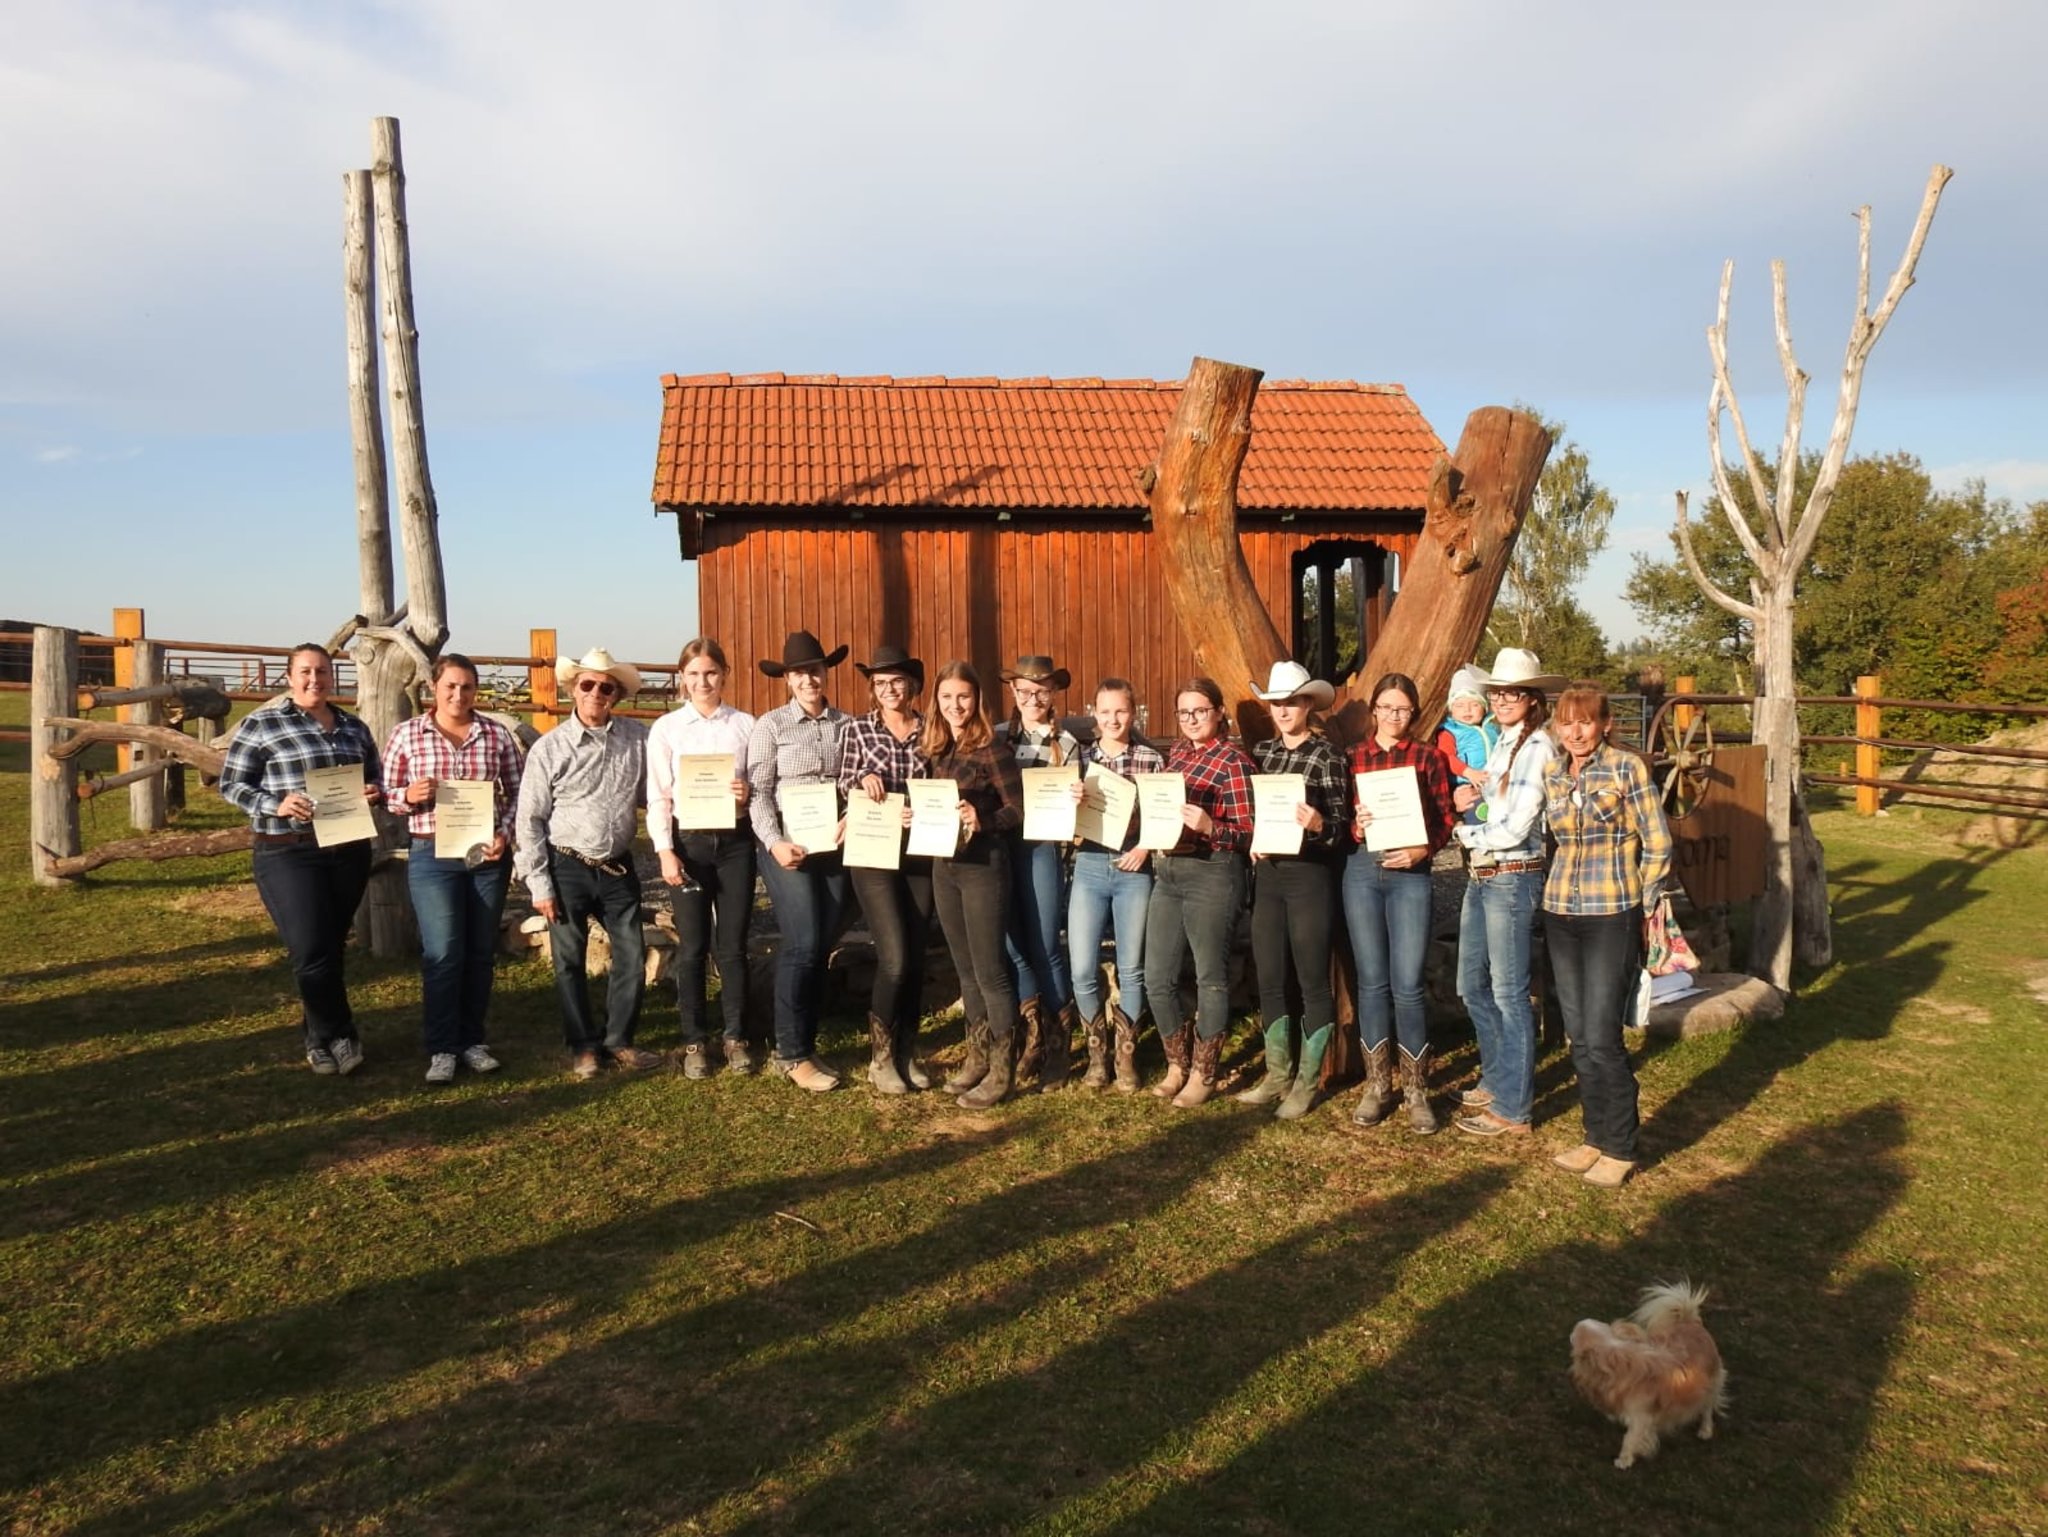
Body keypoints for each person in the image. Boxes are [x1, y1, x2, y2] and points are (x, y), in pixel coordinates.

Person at [220, 643, 384, 1076]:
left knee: (329, 946)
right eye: (306, 672)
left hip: (347, 849)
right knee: (310, 947)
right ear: (290, 677)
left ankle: (319, 1035)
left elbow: (375, 775)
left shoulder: (353, 727)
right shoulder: (262, 724)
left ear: (333, 677)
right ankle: (338, 1034)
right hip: (288, 850)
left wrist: (374, 792)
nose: (315, 680)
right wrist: (275, 803)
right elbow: (232, 784)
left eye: (323, 672)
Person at [1535, 684, 1673, 1188]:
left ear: (1606, 724)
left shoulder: (1626, 769)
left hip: (1610, 912)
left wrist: (1644, 900)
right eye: (1566, 722)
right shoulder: (1553, 771)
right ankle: (1594, 1136)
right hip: (1560, 912)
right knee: (1578, 1035)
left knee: (1601, 1034)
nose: (1575, 732)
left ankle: (1620, 1144)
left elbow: (1658, 842)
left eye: (1585, 722)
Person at [515, 646, 662, 1079]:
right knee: (569, 959)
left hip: (617, 866)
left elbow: (652, 796)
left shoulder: (638, 739)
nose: (597, 692)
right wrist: (538, 883)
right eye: (588, 684)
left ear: (616, 694)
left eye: (606, 686)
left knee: (632, 954)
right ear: (573, 690)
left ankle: (618, 1039)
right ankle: (583, 1045)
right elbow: (530, 819)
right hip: (567, 866)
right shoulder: (549, 748)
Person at [380, 653, 524, 1084]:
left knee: (480, 953)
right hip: (433, 854)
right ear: (433, 689)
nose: (458, 695)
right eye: (450, 687)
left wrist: (506, 833)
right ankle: (442, 1047)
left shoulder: (495, 734)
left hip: (485, 857)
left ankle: (473, 1041)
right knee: (443, 953)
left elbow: (519, 792)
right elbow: (387, 794)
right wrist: (408, 794)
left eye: (466, 687)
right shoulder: (407, 735)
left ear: (475, 691)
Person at [1450, 647, 1564, 1138]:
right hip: (1486, 874)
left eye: (1512, 692)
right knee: (1471, 984)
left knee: (1508, 992)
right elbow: (1494, 808)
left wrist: (1465, 832)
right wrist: (1469, 801)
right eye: (1496, 691)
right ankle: (1499, 1079)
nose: (1501, 699)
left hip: (1512, 872)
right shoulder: (1502, 743)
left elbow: (1517, 825)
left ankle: (1515, 1108)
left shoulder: (1538, 746)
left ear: (1532, 698)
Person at [1341, 671, 1458, 1131]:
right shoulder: (1353, 757)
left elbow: (1446, 818)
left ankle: (1416, 1089)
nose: (1394, 716)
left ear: (1414, 713)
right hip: (1363, 871)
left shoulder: (1428, 757)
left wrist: (1423, 849)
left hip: (1411, 874)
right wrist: (1357, 823)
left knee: (1407, 983)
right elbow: (1341, 822)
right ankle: (1377, 1085)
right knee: (1371, 981)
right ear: (1374, 711)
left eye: (1403, 709)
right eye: (1387, 708)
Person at [1240, 660, 1351, 1119]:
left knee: (1310, 979)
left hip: (1309, 876)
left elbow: (1342, 829)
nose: (1283, 710)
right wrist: (1252, 840)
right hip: (1268, 876)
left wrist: (1321, 824)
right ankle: (1277, 1074)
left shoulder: (1328, 756)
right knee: (1269, 976)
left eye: (1291, 702)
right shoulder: (1261, 753)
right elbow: (1252, 811)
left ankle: (1306, 1082)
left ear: (1308, 704)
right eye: (1276, 703)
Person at [748, 630, 854, 1093]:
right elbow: (758, 793)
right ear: (787, 679)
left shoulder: (847, 724)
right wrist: (773, 842)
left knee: (822, 942)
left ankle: (802, 1037)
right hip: (789, 847)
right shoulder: (770, 726)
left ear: (825, 672)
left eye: (814, 669)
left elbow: (855, 778)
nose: (808, 679)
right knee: (804, 941)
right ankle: (791, 1053)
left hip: (833, 845)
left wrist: (853, 812)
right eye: (798, 673)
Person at [647, 638, 758, 1080]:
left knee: (732, 947)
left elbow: (759, 784)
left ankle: (735, 1037)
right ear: (682, 678)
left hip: (734, 842)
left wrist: (746, 793)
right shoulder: (668, 729)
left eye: (710, 672)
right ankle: (694, 1040)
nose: (702, 681)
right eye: (693, 674)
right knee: (692, 947)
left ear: (725, 674)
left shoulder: (746, 725)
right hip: (689, 845)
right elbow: (658, 795)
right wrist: (664, 851)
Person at [1143, 676, 1256, 1109]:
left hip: (1213, 871)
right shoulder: (1174, 756)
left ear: (1218, 712)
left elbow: (1248, 833)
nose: (1191, 720)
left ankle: (1205, 1071)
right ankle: (1177, 1062)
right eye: (1184, 712)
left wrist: (1211, 828)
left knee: (1210, 976)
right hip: (1169, 870)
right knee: (1157, 975)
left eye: (1200, 711)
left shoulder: (1235, 762)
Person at [923, 662, 1028, 1108]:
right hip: (944, 868)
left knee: (990, 970)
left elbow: (1020, 809)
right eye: (947, 697)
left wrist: (982, 820)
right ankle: (978, 1056)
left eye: (962, 696)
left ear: (977, 699)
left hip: (985, 867)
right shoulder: (937, 749)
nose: (955, 705)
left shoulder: (993, 749)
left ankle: (1003, 1070)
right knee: (965, 970)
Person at [836, 645, 934, 1095]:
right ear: (872, 690)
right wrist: (861, 781)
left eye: (896, 682)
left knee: (914, 957)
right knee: (893, 957)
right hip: (873, 851)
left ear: (911, 687)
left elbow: (940, 784)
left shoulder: (930, 731)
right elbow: (841, 778)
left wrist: (921, 808)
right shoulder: (858, 728)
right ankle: (880, 1058)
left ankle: (906, 1051)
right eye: (880, 684)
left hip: (919, 851)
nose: (889, 690)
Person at [1067, 678, 1165, 1092]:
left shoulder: (1151, 759)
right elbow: (1059, 824)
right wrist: (1067, 802)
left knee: (1131, 967)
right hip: (1089, 864)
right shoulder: (1080, 759)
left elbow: (1162, 817)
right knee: (1083, 967)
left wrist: (1144, 848)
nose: (1113, 719)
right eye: (1105, 712)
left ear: (1134, 712)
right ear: (1094, 713)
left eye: (1121, 711)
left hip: (1132, 867)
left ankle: (1126, 1058)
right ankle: (1096, 1055)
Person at [998, 656, 1081, 1089]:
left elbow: (1079, 801)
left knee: (1046, 944)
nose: (1032, 699)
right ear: (1013, 693)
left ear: (1053, 695)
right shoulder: (997, 737)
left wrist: (1077, 797)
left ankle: (1059, 1043)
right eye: (1024, 691)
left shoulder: (1065, 743)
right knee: (1012, 944)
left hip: (1043, 849)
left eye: (1041, 691)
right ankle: (1032, 1035)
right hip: (1002, 848)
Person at [1435, 665, 1499, 824]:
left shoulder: (1492, 726)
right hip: (1468, 781)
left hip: (1494, 782)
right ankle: (1475, 841)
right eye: (1460, 705)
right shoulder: (1450, 731)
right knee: (1476, 810)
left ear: (1484, 708)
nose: (1467, 710)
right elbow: (1446, 757)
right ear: (1451, 709)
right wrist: (1469, 772)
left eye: (1475, 704)